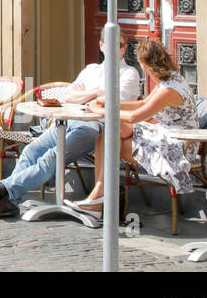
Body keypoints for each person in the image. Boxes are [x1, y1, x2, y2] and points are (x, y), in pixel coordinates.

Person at [0, 32, 142, 217]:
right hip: (68, 121)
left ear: (125, 48)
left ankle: (3, 189)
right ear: (101, 45)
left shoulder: (129, 73)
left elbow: (113, 102)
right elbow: (67, 96)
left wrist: (86, 95)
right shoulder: (91, 70)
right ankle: (10, 201)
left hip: (95, 126)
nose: (114, 49)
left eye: (119, 45)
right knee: (31, 151)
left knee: (50, 158)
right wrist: (97, 92)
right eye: (109, 44)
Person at [74, 38, 198, 212]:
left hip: (179, 146)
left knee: (109, 141)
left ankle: (99, 197)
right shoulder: (169, 79)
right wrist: (108, 104)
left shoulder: (169, 89)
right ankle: (100, 195)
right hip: (164, 134)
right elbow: (144, 103)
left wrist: (101, 111)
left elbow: (135, 116)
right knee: (109, 134)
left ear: (147, 66)